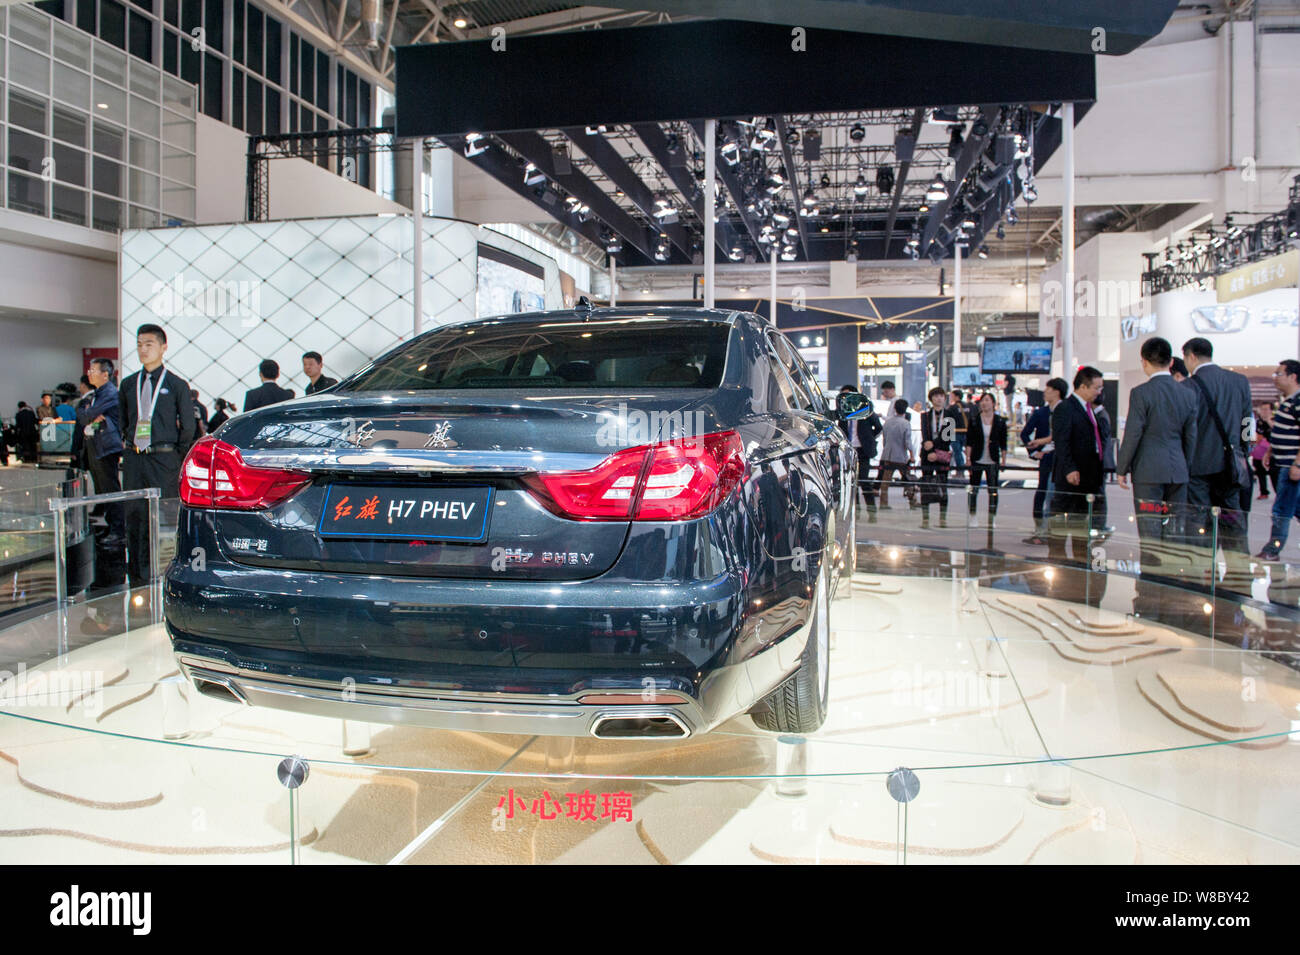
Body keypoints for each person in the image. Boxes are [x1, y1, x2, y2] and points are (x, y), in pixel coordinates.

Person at [119, 324, 196, 587]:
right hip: (134, 459)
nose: (143, 349)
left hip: (164, 460)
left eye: (149, 344)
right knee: (134, 517)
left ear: (163, 347)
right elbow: (123, 421)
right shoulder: (129, 384)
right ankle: (137, 578)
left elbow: (188, 427)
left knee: (164, 518)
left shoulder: (176, 385)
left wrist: (176, 458)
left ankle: (165, 574)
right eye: (139, 344)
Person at [1115, 337, 1199, 568]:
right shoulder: (1188, 394)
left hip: (1148, 471)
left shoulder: (1141, 393)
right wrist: (1185, 466)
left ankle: (1151, 581)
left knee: (1149, 528)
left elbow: (1133, 433)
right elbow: (1191, 437)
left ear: (1144, 362)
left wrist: (1121, 468)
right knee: (1175, 527)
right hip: (1178, 470)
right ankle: (1174, 574)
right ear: (1171, 361)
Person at [1181, 337, 1253, 557]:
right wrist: (1243, 451)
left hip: (1198, 466)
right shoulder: (1239, 381)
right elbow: (1247, 421)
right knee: (1232, 518)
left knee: (1198, 520)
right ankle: (1238, 571)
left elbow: (1185, 428)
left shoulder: (1187, 386)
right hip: (1230, 465)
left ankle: (1202, 571)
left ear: (1191, 356)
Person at [1049, 366, 1107, 564]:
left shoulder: (1090, 409)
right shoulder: (1066, 408)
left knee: (1083, 527)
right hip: (1071, 480)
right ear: (1083, 386)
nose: (1099, 392)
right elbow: (1062, 442)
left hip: (1089, 478)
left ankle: (1082, 566)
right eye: (1096, 388)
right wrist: (1070, 468)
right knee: (1062, 525)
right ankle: (1060, 567)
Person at [1256, 360, 1300, 561]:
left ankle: (1272, 549)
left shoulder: (1298, 401)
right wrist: (1270, 451)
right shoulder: (1287, 401)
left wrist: (1297, 463)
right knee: (1294, 507)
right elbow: (1283, 432)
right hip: (1282, 462)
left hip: (1290, 465)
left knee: (1281, 509)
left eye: (1279, 374)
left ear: (1293, 377)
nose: (1275, 378)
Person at [81, 358, 126, 544]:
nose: (90, 373)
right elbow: (85, 416)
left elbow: (88, 415)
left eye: (93, 370)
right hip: (96, 445)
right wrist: (89, 414)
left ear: (105, 374)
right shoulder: (96, 394)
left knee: (110, 489)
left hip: (106, 447)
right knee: (102, 490)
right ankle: (110, 526)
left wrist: (89, 414)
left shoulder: (109, 393)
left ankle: (118, 530)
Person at [1021, 377, 1067, 545]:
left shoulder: (1066, 410)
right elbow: (1025, 434)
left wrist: (1039, 443)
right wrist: (1034, 452)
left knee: (1054, 495)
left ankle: (1051, 532)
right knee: (1043, 493)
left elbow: (1058, 436)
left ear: (1056, 391)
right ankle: (1042, 530)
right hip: (1047, 459)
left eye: (1047, 389)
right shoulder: (1041, 413)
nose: (1044, 392)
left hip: (1061, 459)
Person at [965, 392, 1007, 526]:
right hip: (977, 458)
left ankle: (992, 518)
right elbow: (969, 441)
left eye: (987, 400)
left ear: (993, 403)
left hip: (993, 459)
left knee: (993, 490)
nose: (984, 403)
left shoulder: (1000, 421)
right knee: (974, 489)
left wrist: (1003, 460)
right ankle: (972, 516)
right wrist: (968, 459)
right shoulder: (974, 420)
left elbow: (1003, 443)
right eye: (982, 401)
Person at [919, 386, 955, 528]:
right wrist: (930, 451)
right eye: (935, 396)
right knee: (926, 485)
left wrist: (933, 447)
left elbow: (947, 437)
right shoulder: (925, 416)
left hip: (942, 454)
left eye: (941, 396)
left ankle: (942, 518)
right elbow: (925, 436)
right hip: (927, 455)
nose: (938, 399)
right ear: (931, 399)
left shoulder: (950, 415)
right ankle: (925, 518)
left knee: (942, 485)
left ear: (944, 398)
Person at [877, 398, 914, 508]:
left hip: (888, 454)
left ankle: (883, 503)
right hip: (901, 456)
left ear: (895, 408)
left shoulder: (887, 422)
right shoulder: (906, 423)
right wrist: (911, 455)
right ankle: (912, 500)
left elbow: (884, 439)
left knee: (885, 481)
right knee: (907, 479)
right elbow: (908, 442)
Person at [1251, 403, 1275, 499]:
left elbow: (1276, 430)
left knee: (1274, 474)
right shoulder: (1257, 422)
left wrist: (1268, 420)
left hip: (1273, 451)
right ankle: (1263, 492)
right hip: (1259, 452)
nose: (1264, 412)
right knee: (1260, 472)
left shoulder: (1274, 420)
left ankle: (1278, 493)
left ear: (1271, 411)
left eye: (1266, 409)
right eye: (1262, 409)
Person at [948, 389, 968, 478]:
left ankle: (960, 471)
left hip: (956, 432)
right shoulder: (968, 406)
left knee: (957, 452)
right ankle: (966, 469)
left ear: (956, 396)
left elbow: (949, 421)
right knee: (967, 452)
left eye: (952, 396)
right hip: (967, 432)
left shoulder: (952, 408)